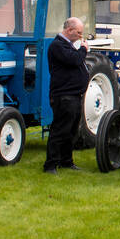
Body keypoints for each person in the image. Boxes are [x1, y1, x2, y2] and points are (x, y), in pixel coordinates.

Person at [44, 16, 90, 174]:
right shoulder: (57, 45)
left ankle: (66, 161)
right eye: (78, 32)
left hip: (74, 95)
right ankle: (50, 164)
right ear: (69, 30)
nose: (80, 36)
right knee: (60, 130)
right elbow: (74, 60)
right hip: (64, 96)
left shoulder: (67, 45)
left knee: (71, 131)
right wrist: (83, 49)